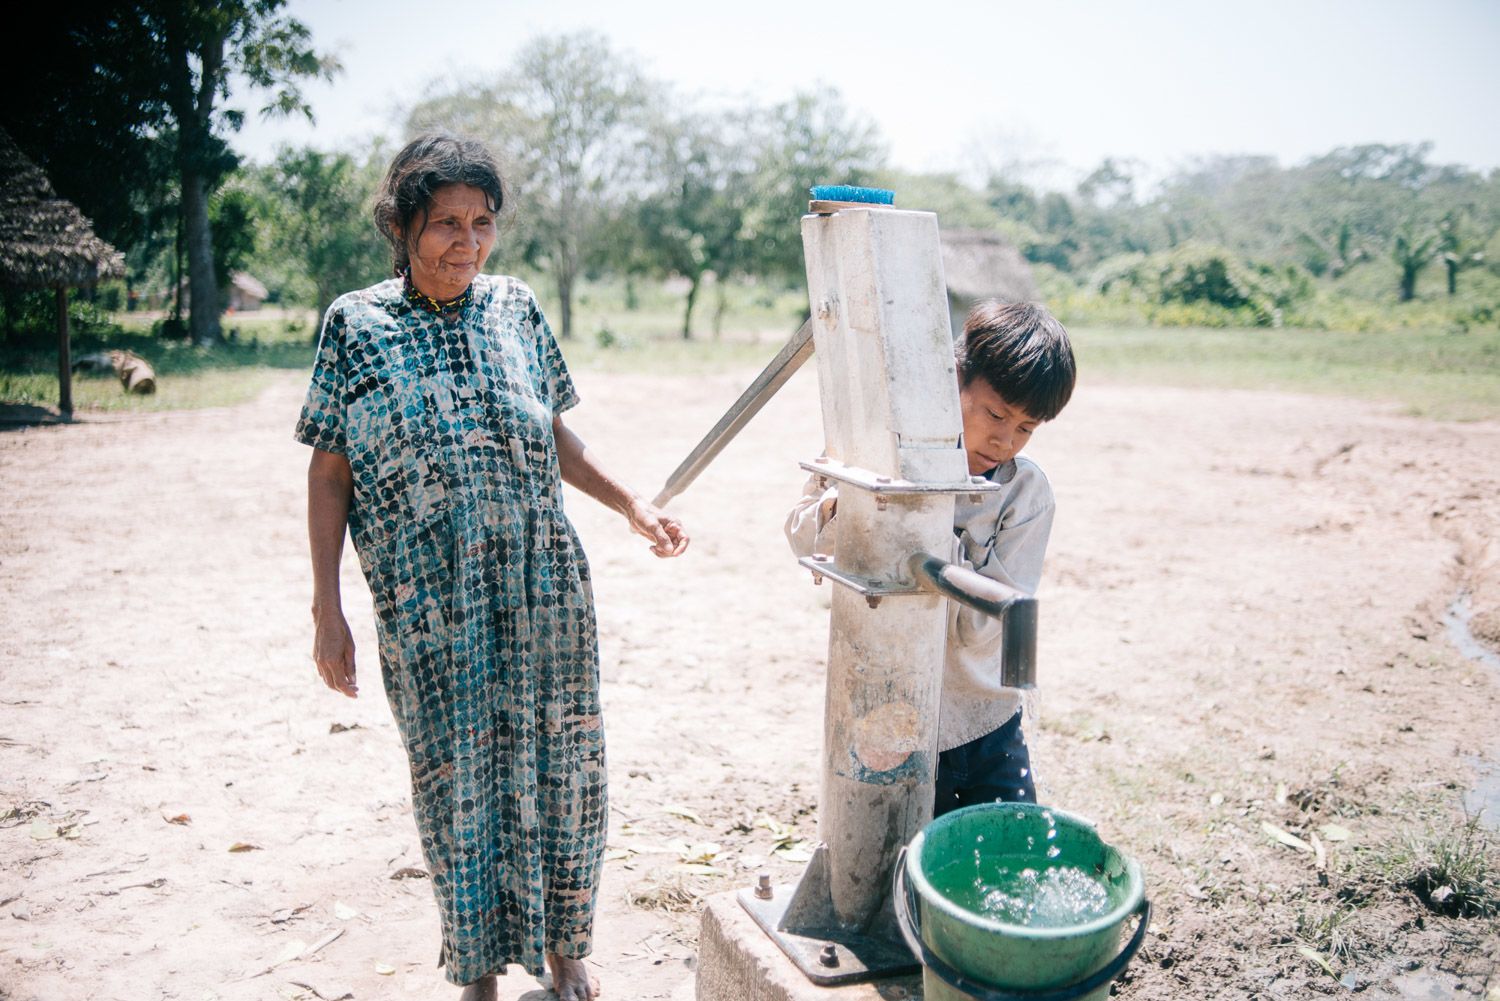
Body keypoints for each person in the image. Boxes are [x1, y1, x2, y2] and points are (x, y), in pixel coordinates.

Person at [298, 133, 688, 1001]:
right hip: (430, 606)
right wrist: (328, 608)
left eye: (482, 223)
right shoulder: (355, 326)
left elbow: (555, 433)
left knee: (566, 772)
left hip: (543, 586)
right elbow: (329, 470)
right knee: (457, 786)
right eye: (444, 224)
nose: (466, 243)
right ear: (402, 225)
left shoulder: (514, 308)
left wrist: (632, 503)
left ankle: (565, 951)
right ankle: (476, 971)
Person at [785, 300, 1074, 816]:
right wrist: (849, 502)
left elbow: (980, 631)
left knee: (1013, 854)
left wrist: (916, 520)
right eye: (995, 414)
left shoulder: (1024, 495)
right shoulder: (875, 454)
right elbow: (803, 536)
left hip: (986, 720)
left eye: (1027, 428)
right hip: (892, 712)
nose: (1004, 440)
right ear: (954, 381)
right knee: (897, 856)